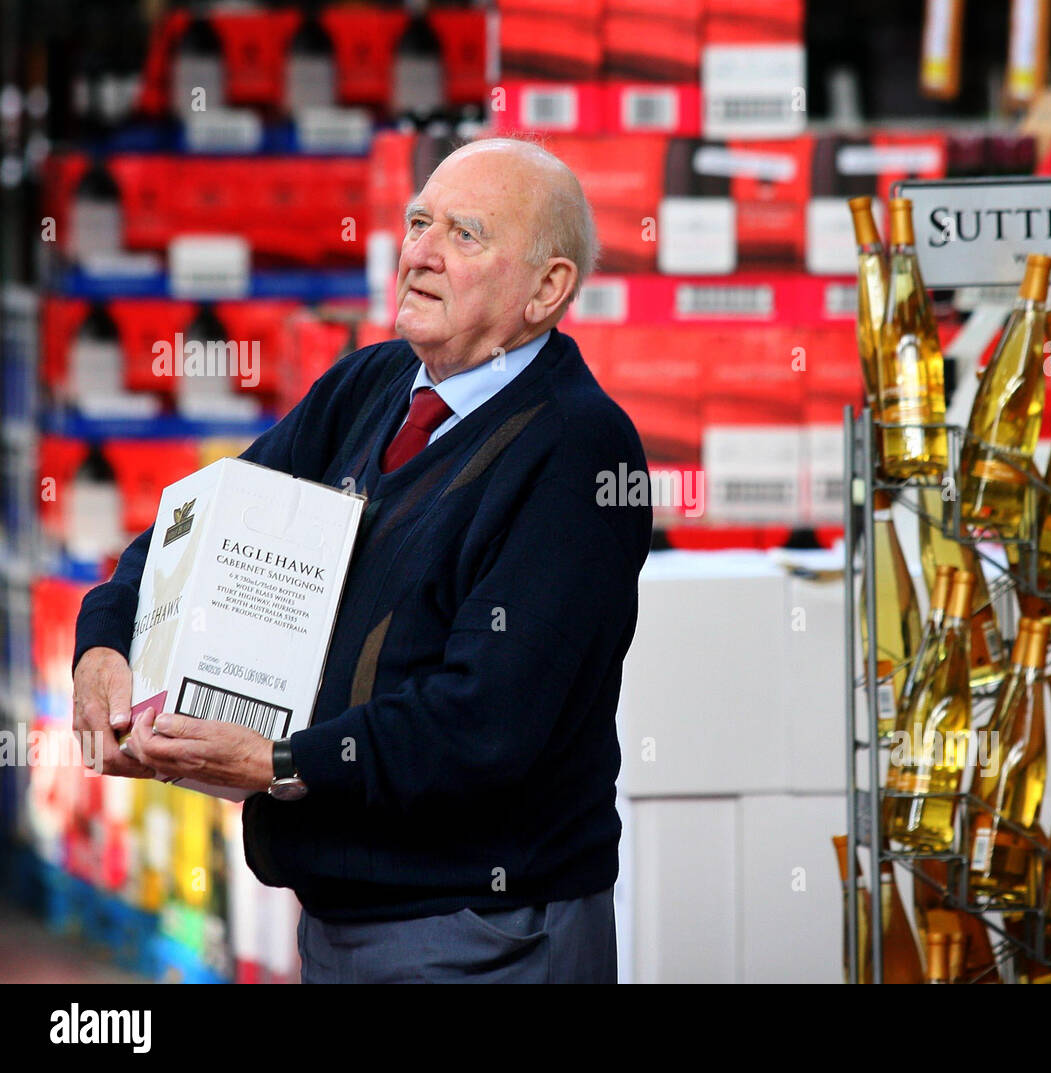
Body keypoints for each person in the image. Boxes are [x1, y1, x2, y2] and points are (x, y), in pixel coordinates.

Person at [70, 136, 653, 983]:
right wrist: (106, 639)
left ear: (547, 289)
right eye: (419, 222)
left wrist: (282, 762)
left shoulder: (579, 452)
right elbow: (200, 522)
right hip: (342, 919)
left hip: (480, 934)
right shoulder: (372, 386)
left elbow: (486, 724)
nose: (420, 252)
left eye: (465, 234)